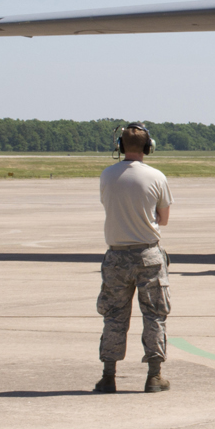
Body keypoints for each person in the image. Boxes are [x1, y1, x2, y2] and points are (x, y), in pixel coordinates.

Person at [93, 124, 174, 394]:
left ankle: (108, 375)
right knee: (154, 316)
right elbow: (163, 218)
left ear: (120, 145)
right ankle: (154, 375)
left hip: (116, 254)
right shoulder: (157, 177)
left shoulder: (107, 175)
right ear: (148, 147)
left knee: (114, 316)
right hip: (148, 253)